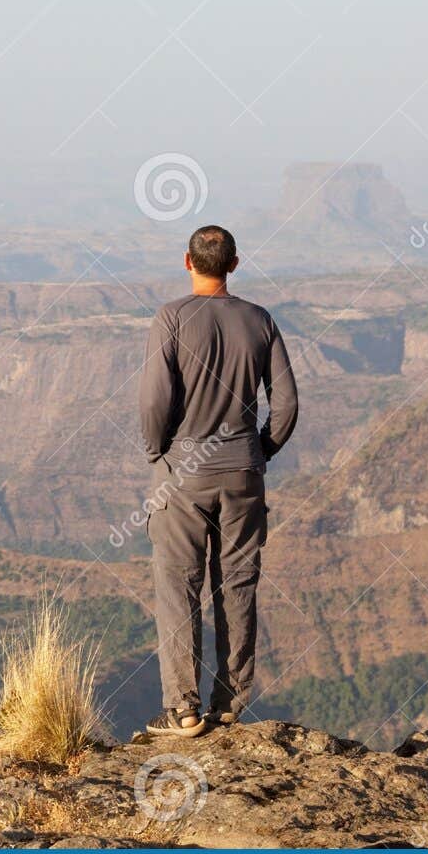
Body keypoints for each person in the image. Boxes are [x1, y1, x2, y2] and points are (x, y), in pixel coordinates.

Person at [137, 225, 298, 736]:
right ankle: (228, 707)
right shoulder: (259, 320)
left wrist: (157, 452)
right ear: (234, 263)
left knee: (177, 586)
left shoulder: (172, 318)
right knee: (237, 586)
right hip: (243, 473)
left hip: (182, 474)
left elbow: (154, 400)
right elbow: (287, 404)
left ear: (188, 262)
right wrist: (260, 451)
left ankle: (183, 710)